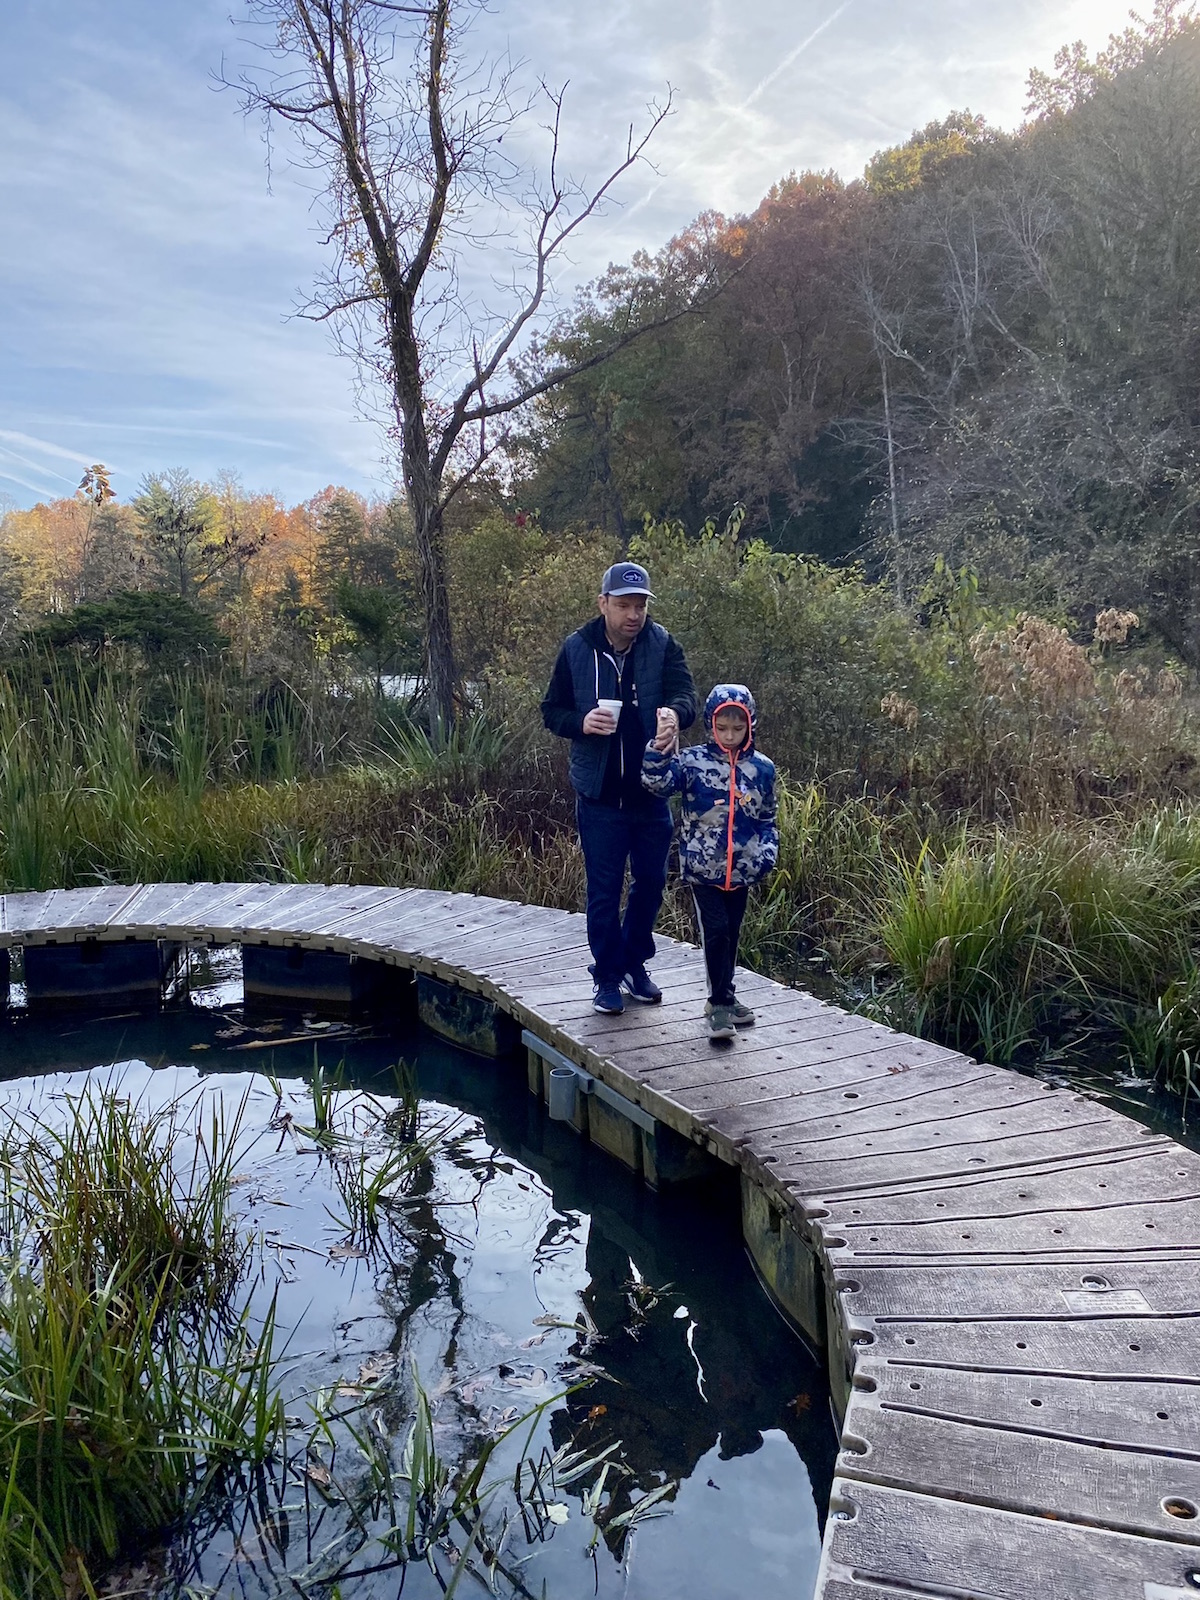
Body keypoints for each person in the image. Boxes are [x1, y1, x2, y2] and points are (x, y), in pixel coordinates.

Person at [541, 562, 698, 1015]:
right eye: (625, 605)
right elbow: (552, 711)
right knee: (605, 892)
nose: (634, 614)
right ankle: (607, 976)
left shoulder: (662, 644)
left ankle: (634, 964)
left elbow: (686, 696)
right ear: (603, 603)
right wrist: (581, 722)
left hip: (652, 793)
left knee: (650, 883)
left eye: (641, 605)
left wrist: (674, 714)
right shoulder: (576, 648)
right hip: (601, 797)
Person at [642, 684, 778, 1040]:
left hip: (744, 868)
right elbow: (656, 784)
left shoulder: (762, 769)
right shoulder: (691, 761)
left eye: (738, 728)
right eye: (722, 728)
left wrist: (767, 852)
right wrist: (658, 746)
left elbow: (767, 817)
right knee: (715, 930)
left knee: (732, 934)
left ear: (750, 725)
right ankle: (717, 1005)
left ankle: (727, 997)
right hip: (704, 868)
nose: (730, 736)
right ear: (710, 725)